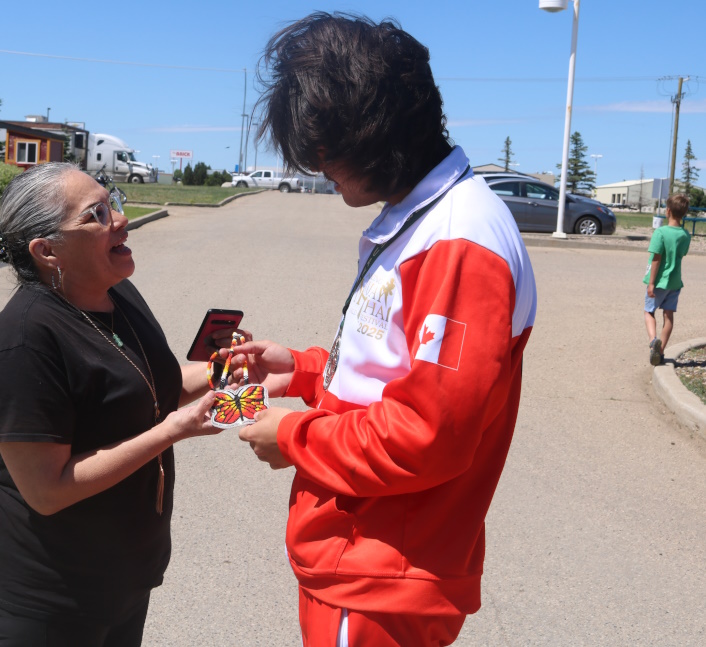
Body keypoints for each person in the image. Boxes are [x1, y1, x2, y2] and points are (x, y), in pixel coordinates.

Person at [234, 14, 538, 646]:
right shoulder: (421, 218)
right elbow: (394, 370)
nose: (317, 166)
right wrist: (307, 369)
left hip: (379, 568)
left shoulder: (459, 239)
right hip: (363, 556)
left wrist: (294, 439)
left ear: (373, 133)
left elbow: (431, 433)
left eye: (322, 148)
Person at [0, 162, 228, 646]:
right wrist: (173, 430)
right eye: (95, 215)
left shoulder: (116, 292)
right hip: (47, 596)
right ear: (47, 250)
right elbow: (47, 490)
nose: (119, 218)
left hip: (120, 577)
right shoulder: (23, 343)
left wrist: (226, 372)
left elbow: (151, 385)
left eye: (112, 201)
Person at [644, 193, 691, 366]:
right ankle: (661, 351)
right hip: (675, 282)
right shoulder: (686, 235)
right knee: (668, 315)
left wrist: (651, 283)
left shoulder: (661, 232)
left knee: (649, 311)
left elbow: (656, 258)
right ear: (684, 213)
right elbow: (682, 254)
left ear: (668, 211)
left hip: (659, 281)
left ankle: (652, 342)